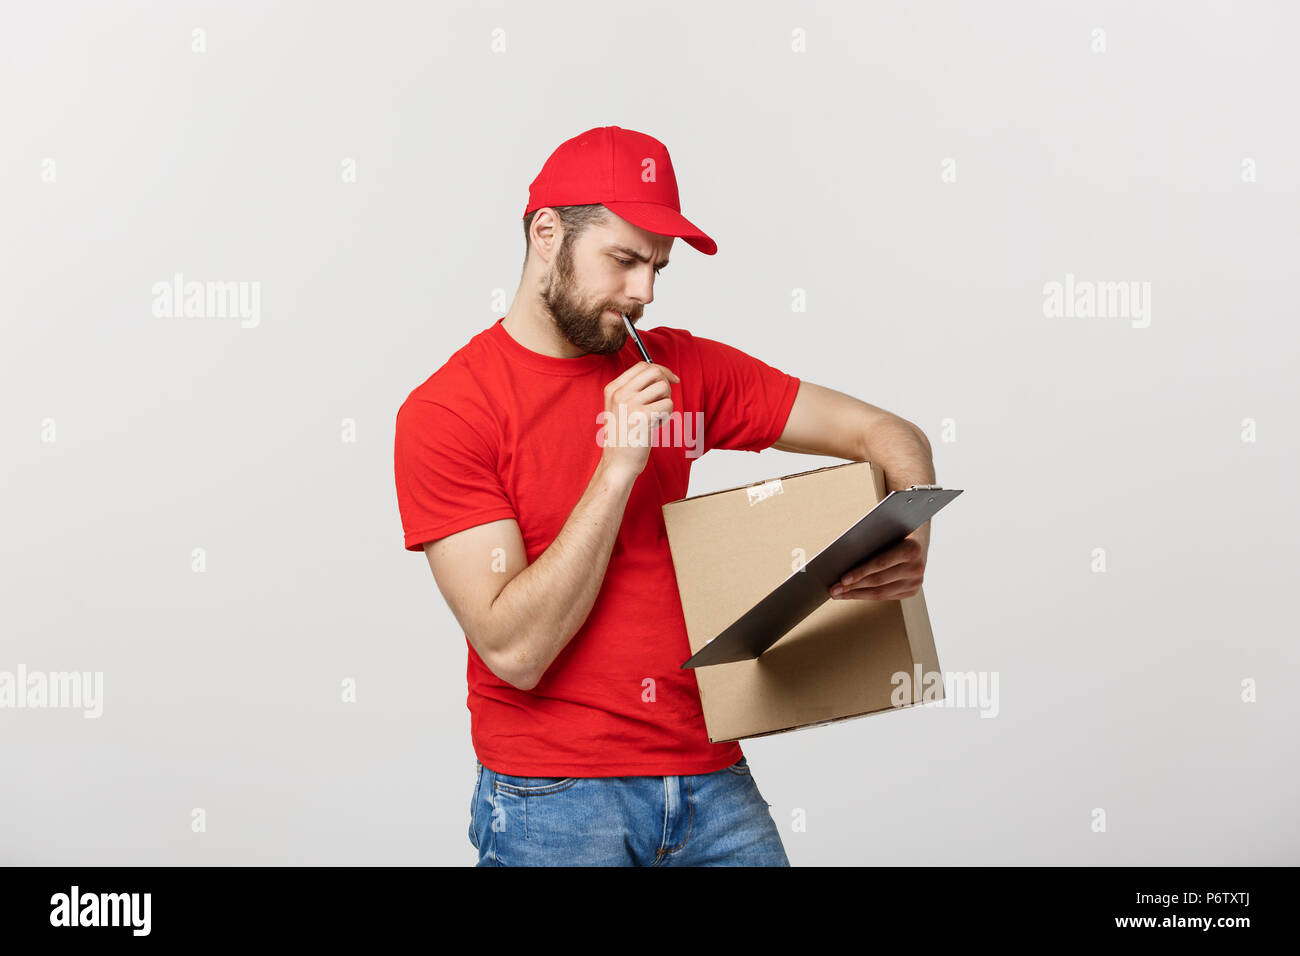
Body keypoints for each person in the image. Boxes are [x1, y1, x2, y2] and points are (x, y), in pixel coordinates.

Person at [393, 126, 937, 866]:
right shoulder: (449, 412)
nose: (643, 292)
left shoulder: (681, 371)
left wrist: (908, 533)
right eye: (623, 261)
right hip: (552, 799)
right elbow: (515, 651)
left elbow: (886, 431)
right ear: (547, 234)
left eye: (657, 267)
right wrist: (618, 465)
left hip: (708, 776)